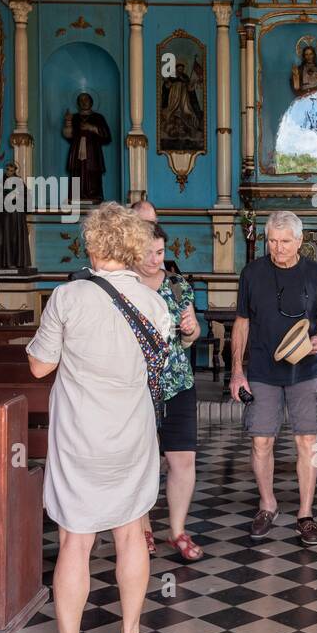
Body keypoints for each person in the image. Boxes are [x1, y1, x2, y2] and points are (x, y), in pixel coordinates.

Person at [25, 203, 172, 633]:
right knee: (131, 535)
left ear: (90, 244)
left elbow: (39, 367)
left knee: (76, 540)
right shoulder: (154, 304)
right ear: (133, 246)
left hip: (79, 439)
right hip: (131, 435)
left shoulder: (67, 298)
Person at [228, 210, 317, 546]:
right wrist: (237, 372)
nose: (278, 249)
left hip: (305, 372)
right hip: (262, 370)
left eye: (285, 242)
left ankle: (305, 514)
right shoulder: (252, 273)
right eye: (272, 241)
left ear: (300, 241)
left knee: (307, 442)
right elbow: (241, 323)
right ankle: (267, 504)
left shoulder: (315, 273)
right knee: (261, 441)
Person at [137, 222, 203, 562]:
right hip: (136, 388)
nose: (154, 260)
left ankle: (176, 529)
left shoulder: (177, 286)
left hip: (177, 382)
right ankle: (143, 529)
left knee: (183, 458)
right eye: (148, 252)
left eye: (160, 252)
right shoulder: (124, 286)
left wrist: (191, 330)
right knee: (143, 462)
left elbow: (191, 335)